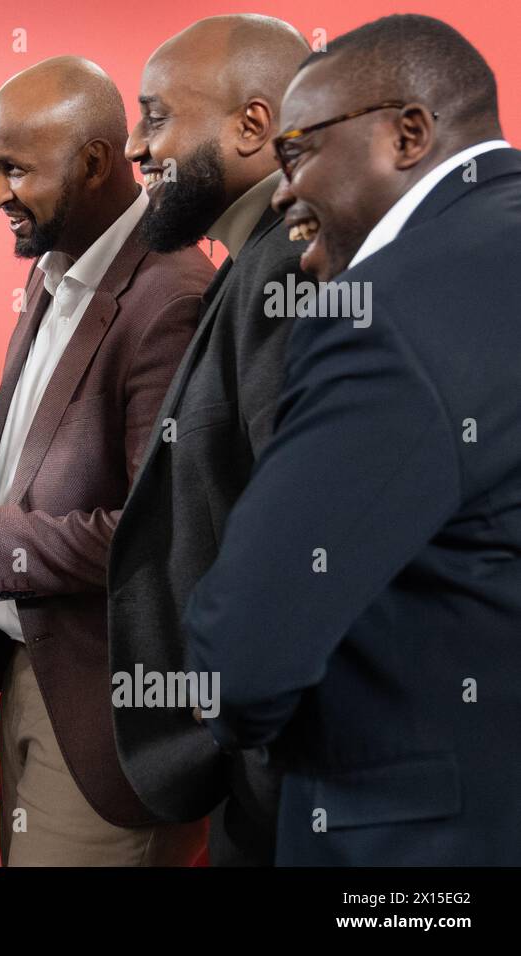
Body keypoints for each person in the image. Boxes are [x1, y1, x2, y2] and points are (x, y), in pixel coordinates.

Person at [186, 14, 521, 865]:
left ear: (408, 132)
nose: (283, 190)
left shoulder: (388, 310)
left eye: (297, 153)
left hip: (417, 842)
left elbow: (244, 659)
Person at [0, 56, 210, 865]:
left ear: (94, 164)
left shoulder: (171, 295)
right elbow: (29, 438)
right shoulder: (54, 271)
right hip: (27, 672)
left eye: (15, 169)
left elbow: (152, 532)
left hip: (103, 711)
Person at [108, 15, 313, 865]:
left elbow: (299, 543)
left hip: (286, 784)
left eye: (156, 116)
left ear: (253, 127)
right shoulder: (248, 264)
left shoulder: (291, 275)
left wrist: (253, 744)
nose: (133, 144)